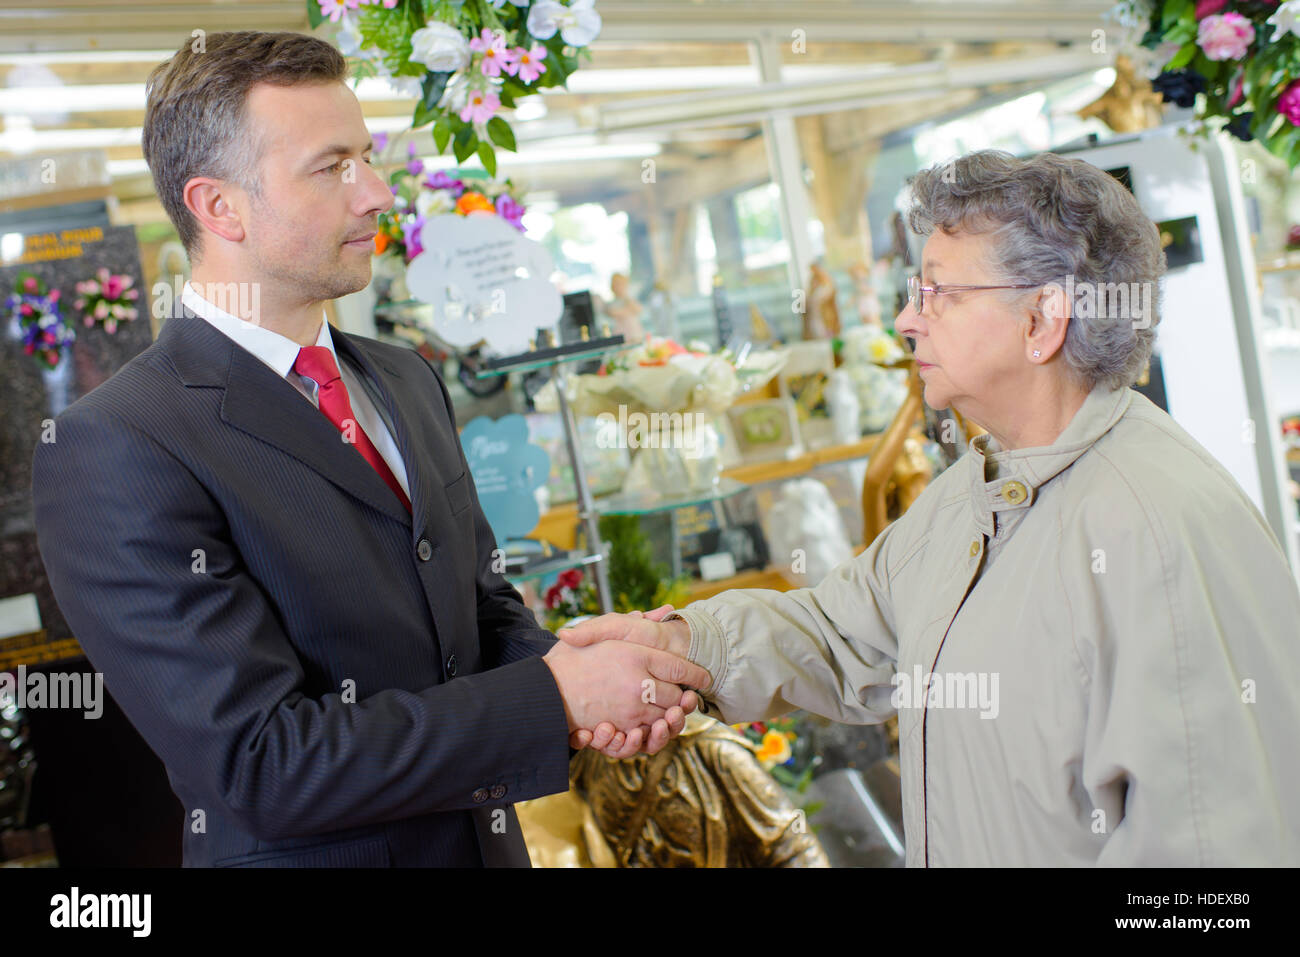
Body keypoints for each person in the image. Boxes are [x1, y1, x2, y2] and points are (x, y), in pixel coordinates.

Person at [30, 31, 705, 868]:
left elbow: (480, 609)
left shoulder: (402, 377)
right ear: (218, 207)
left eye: (368, 158)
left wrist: (578, 671)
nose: (377, 192)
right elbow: (262, 764)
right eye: (332, 166)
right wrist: (552, 699)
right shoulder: (118, 445)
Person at [564, 150, 1300, 866]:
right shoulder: (976, 488)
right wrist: (682, 647)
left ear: (1043, 319)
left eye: (940, 293)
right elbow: (840, 632)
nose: (908, 320)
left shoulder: (1160, 531)